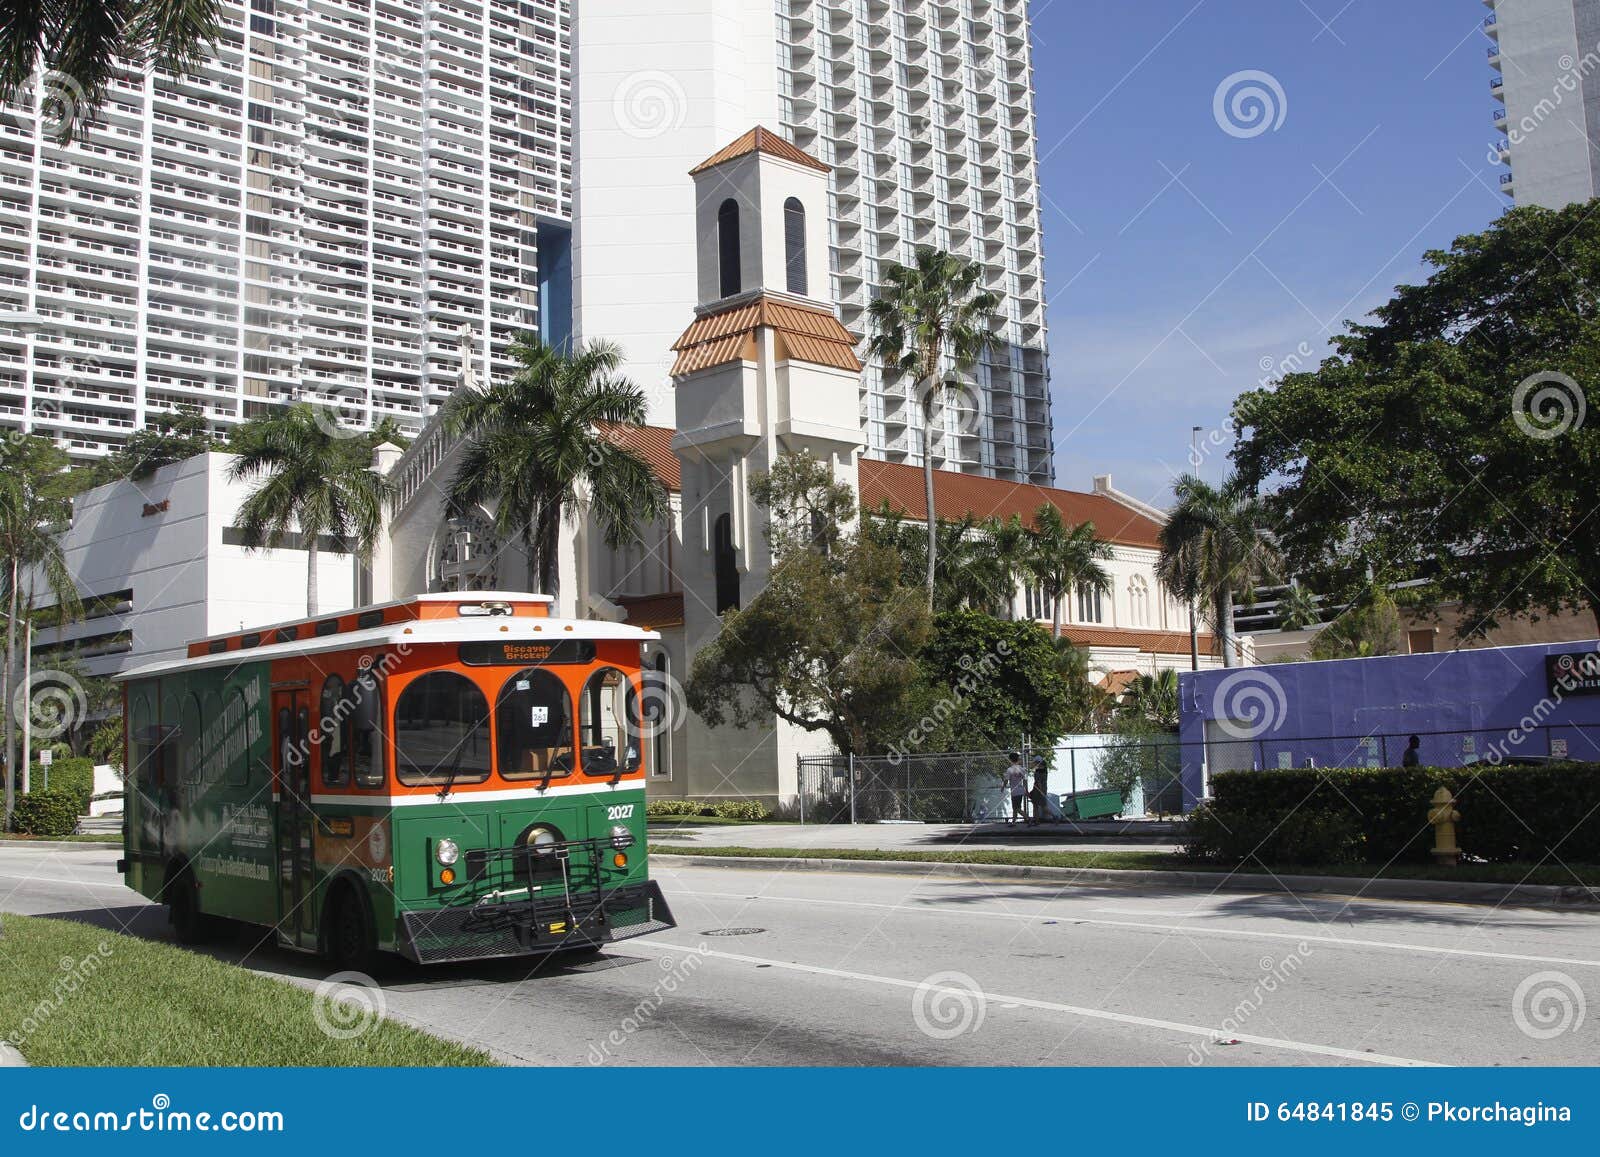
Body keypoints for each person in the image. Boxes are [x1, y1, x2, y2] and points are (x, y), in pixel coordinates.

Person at [1005, 753, 1027, 823]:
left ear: (1010, 760)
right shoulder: (1022, 769)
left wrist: (1003, 786)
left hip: (1014, 791)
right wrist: (1025, 789)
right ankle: (1013, 822)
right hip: (1020, 790)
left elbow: (1006, 780)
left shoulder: (1009, 770)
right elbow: (1025, 780)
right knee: (1015, 808)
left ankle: (1029, 819)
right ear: (1018, 759)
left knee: (1017, 808)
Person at [1028, 755, 1051, 825]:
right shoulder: (1045, 770)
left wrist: (1040, 790)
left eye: (1035, 762)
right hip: (1043, 788)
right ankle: (1036, 820)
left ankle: (1037, 820)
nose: (1034, 763)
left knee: (1037, 805)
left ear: (1038, 762)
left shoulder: (1038, 771)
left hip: (1038, 789)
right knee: (1042, 805)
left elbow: (1038, 782)